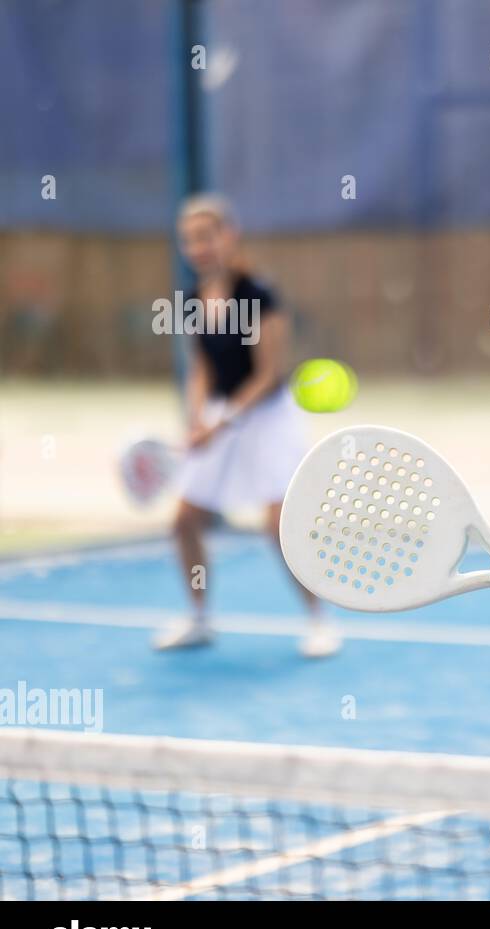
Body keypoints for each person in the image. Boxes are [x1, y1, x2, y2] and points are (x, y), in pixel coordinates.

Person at [152, 193, 341, 659]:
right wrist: (197, 416)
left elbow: (267, 373)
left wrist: (222, 423)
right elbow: (201, 369)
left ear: (228, 237)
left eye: (206, 237)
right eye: (189, 240)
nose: (198, 248)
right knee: (183, 520)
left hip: (268, 417)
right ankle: (199, 619)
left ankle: (320, 622)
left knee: (278, 525)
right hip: (221, 416)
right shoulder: (195, 298)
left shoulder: (258, 294)